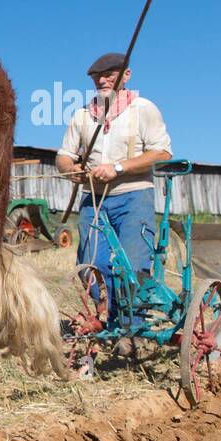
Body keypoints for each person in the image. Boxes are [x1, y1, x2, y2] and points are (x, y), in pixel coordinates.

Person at [56, 52, 173, 349]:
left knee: (133, 266)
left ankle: (133, 331)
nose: (102, 79)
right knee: (90, 264)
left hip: (134, 197)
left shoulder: (143, 109)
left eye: (110, 73)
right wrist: (72, 171)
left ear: (127, 75)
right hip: (94, 200)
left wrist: (118, 167)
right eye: (97, 75)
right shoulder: (83, 115)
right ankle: (108, 318)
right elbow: (64, 156)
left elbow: (162, 153)